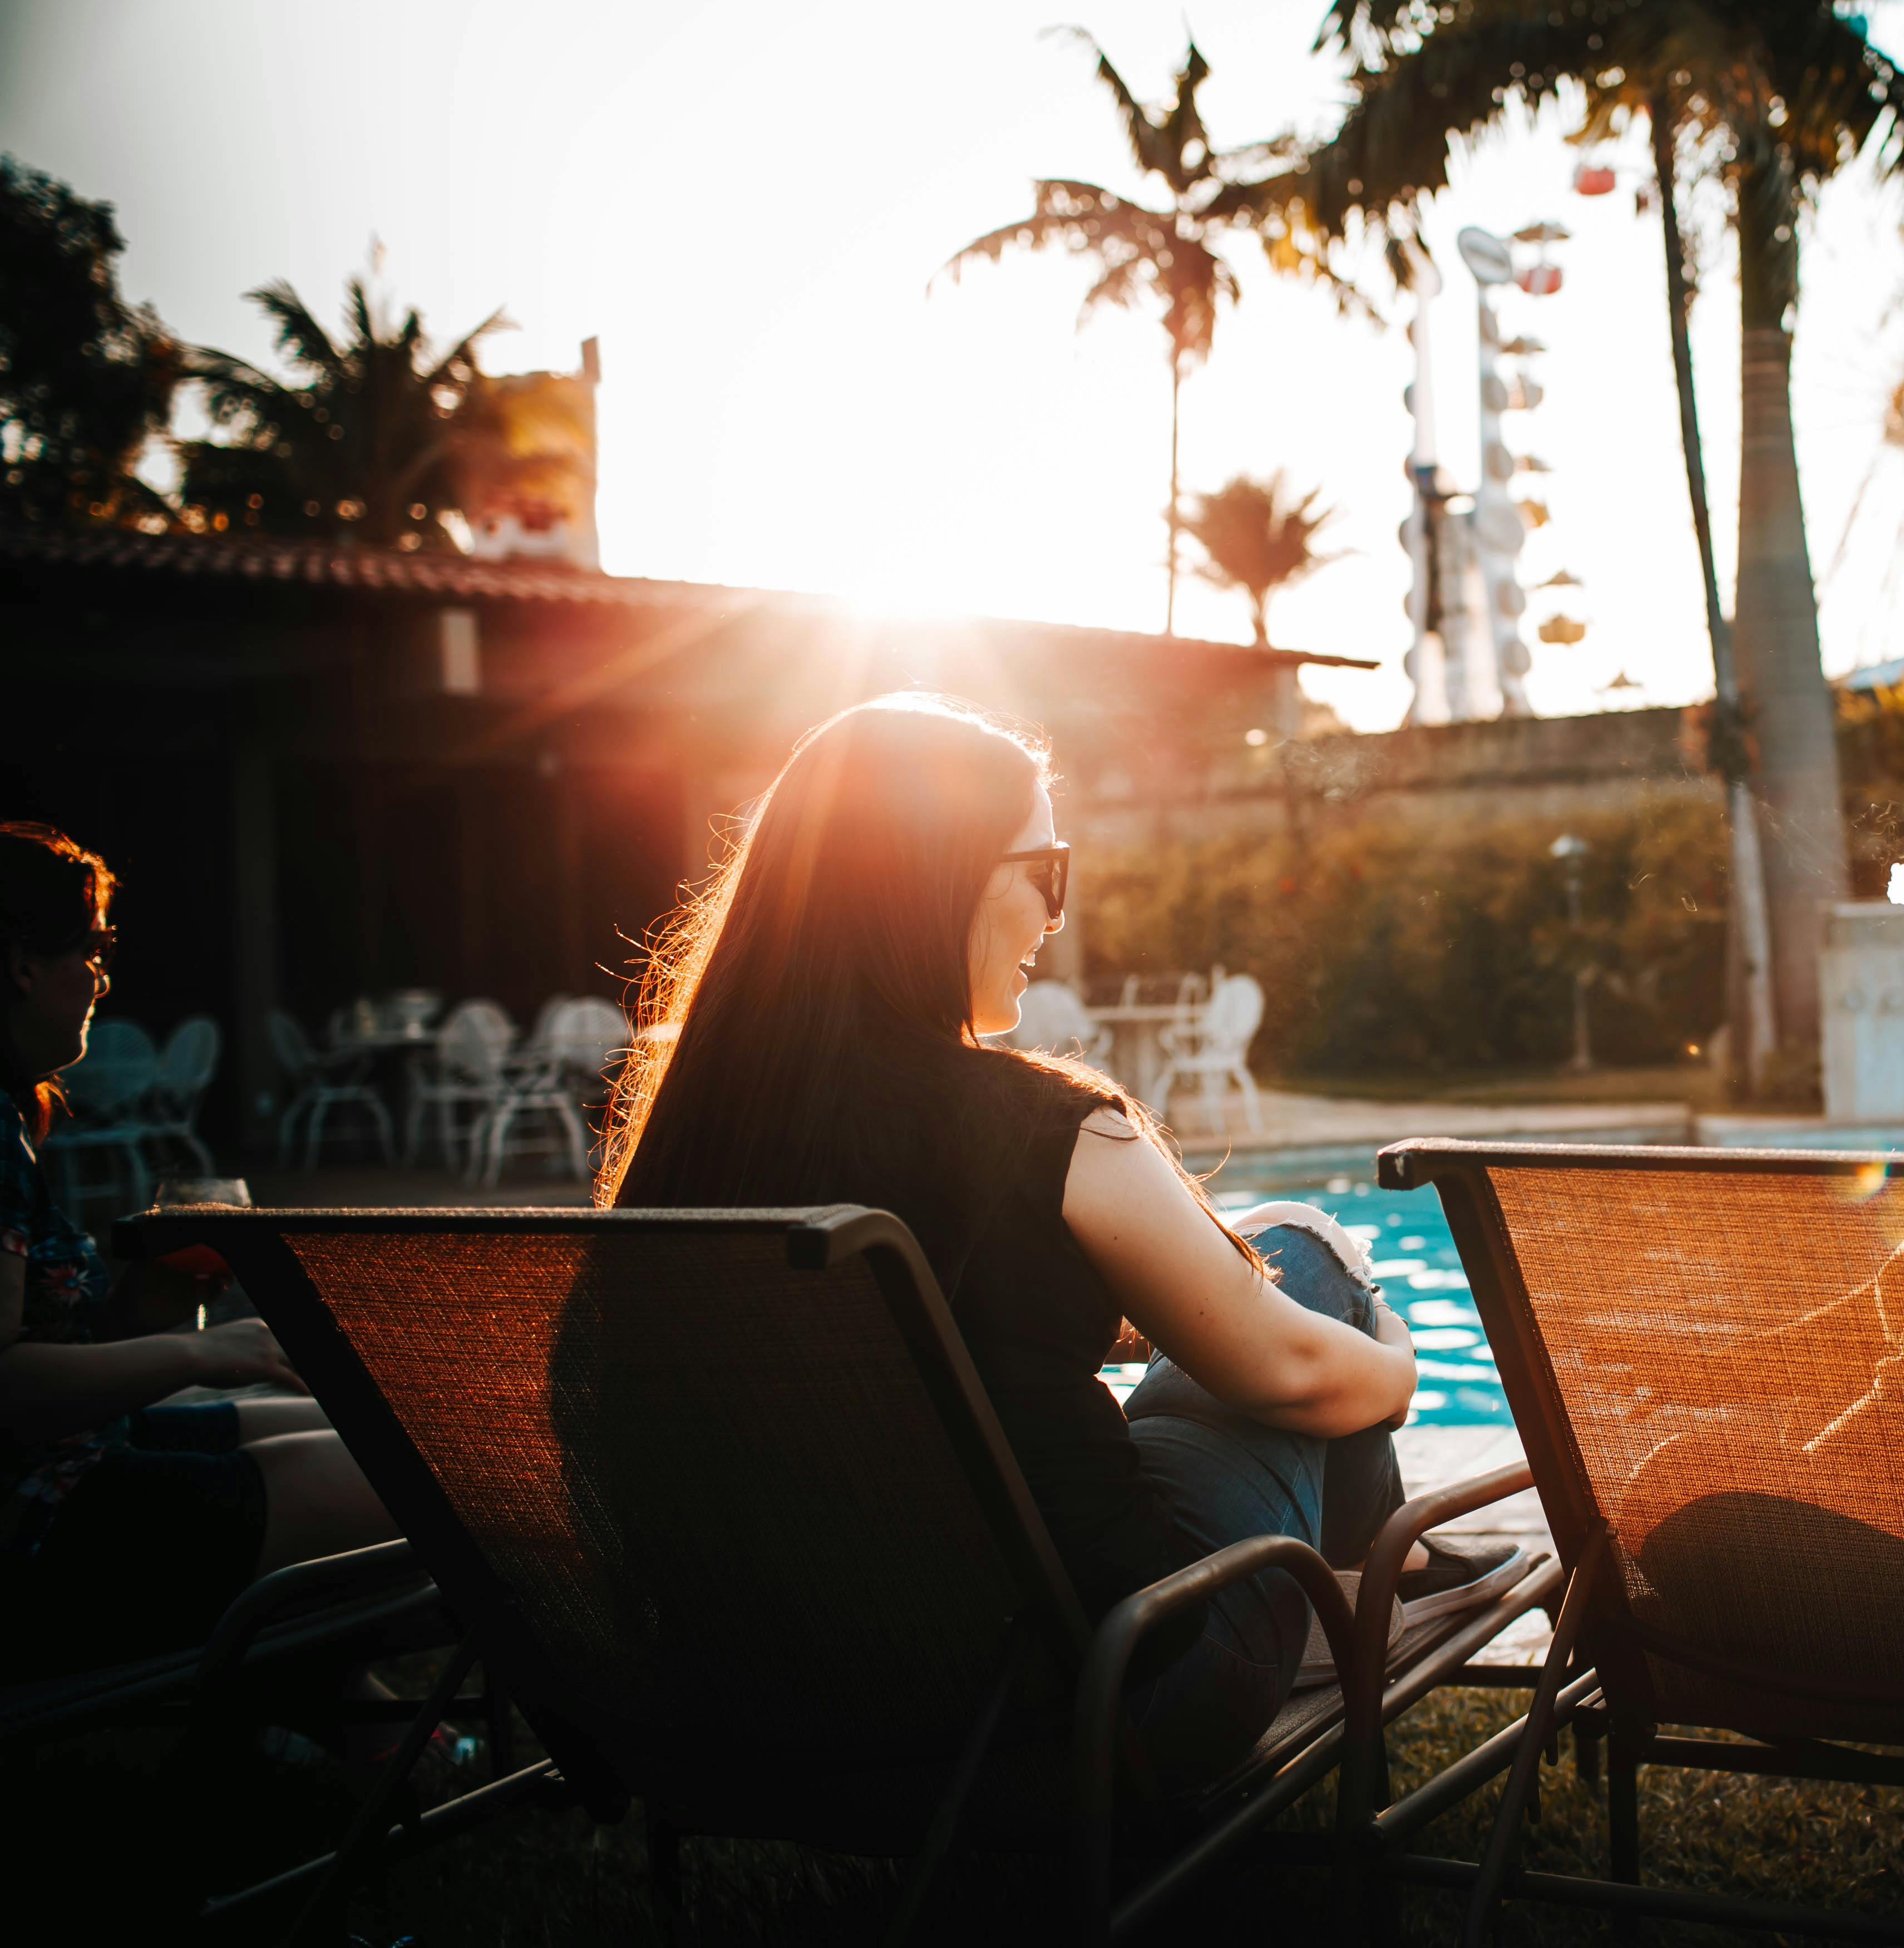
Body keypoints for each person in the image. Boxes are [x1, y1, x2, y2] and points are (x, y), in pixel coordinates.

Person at [601, 694, 1514, 1788]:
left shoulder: (692, 1139)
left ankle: (1389, 1581)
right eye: (1043, 870)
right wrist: (1397, 1364)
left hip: (775, 1693)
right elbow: (1296, 1374)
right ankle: (1383, 1582)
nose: (1053, 912)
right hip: (1104, 1696)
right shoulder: (1038, 1129)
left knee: (1253, 1272)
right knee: (1305, 1257)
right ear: (932, 878)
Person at [2, 822, 397, 1670]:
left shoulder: (11, 1120)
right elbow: (5, 1390)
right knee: (420, 1476)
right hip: (40, 1519)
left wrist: (149, 1303)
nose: (103, 977)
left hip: (80, 1451)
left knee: (377, 1429)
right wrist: (206, 1350)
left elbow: (46, 1351)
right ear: (21, 964)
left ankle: (363, 1721)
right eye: (92, 950)